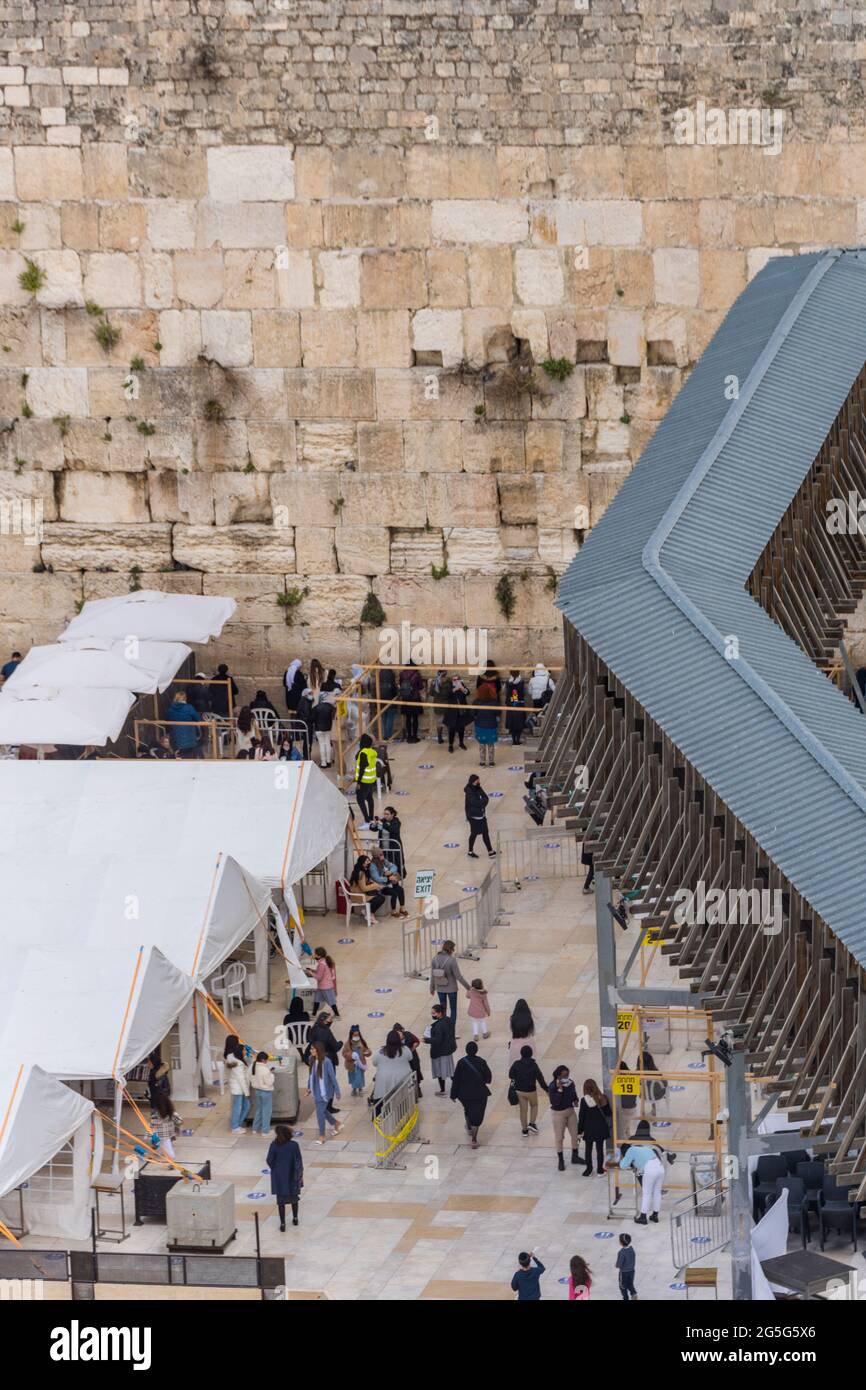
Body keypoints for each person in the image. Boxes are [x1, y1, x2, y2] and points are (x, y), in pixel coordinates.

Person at [450, 1040, 492, 1148]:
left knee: (468, 1110)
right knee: (477, 1115)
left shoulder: (461, 1062)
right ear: (476, 1050)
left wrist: (453, 1094)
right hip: (480, 1093)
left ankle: (469, 1126)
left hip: (464, 1094)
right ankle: (474, 1139)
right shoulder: (482, 1062)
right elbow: (488, 1077)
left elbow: (456, 1080)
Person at [621, 1129, 665, 1225]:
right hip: (660, 1167)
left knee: (647, 1193)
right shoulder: (643, 1147)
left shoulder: (630, 1150)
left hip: (650, 1170)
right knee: (657, 1192)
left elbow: (623, 1165)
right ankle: (655, 1215)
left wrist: (622, 1159)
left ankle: (643, 1217)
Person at [266, 1124, 304, 1230]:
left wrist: (275, 1168)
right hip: (293, 1175)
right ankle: (295, 1218)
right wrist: (300, 1174)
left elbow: (269, 1160)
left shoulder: (274, 1145)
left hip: (279, 1177)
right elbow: (299, 1160)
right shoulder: (294, 1145)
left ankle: (282, 1224)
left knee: (281, 1202)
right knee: (294, 1199)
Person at [307, 1040, 344, 1143]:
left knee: (319, 1114)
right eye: (311, 1049)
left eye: (312, 1049)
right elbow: (311, 1075)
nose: (310, 1051)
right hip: (316, 1091)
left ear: (318, 1050)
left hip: (325, 1092)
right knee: (323, 1111)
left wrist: (337, 1091)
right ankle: (337, 1123)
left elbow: (333, 1078)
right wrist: (309, 1088)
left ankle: (322, 1136)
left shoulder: (327, 1062)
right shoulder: (311, 1059)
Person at [429, 939, 470, 1027]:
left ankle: (443, 1027)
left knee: (442, 1010)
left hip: (439, 988)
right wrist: (468, 987)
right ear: (451, 949)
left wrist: (431, 988)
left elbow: (432, 974)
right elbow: (458, 976)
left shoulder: (434, 959)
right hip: (451, 988)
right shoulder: (451, 960)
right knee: (453, 1010)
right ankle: (451, 1029)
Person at [508, 1045, 547, 1136]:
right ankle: (532, 1124)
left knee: (523, 1110)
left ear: (521, 1053)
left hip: (519, 1091)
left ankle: (524, 1130)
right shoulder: (534, 1065)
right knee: (534, 1105)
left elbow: (510, 1075)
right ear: (531, 1054)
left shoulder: (516, 1064)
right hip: (531, 1090)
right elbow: (540, 1078)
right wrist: (546, 1089)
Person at [549, 1065, 581, 1171]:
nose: (567, 1077)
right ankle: (561, 1160)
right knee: (559, 1137)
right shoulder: (552, 1086)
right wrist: (560, 1090)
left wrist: (576, 1100)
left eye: (567, 1075)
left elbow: (574, 1094)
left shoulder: (571, 1083)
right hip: (558, 1114)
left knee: (575, 1134)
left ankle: (575, 1156)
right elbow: (555, 1102)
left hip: (570, 1111)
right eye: (564, 1076)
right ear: (558, 1076)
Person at [578, 1078, 611, 1177]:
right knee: (599, 1150)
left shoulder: (584, 1101)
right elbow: (609, 1113)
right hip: (600, 1129)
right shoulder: (602, 1098)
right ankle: (600, 1171)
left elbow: (581, 1117)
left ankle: (588, 1169)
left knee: (588, 1150)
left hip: (589, 1129)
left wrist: (579, 1131)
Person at [370, 1029, 414, 1103]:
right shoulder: (405, 1049)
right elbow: (410, 1058)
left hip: (384, 1080)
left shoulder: (380, 1052)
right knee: (401, 1101)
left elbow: (374, 1063)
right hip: (402, 1079)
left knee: (382, 1101)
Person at [425, 1002, 457, 1095]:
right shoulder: (448, 1020)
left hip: (440, 1052)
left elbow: (437, 1040)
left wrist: (426, 1040)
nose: (432, 1015)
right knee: (451, 1071)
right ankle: (458, 1086)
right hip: (448, 1049)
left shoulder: (439, 1026)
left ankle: (442, 1090)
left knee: (439, 1072)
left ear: (439, 1013)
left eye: (434, 1013)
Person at [348, 853, 387, 925]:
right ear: (362, 863)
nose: (369, 862)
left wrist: (372, 884)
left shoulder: (359, 870)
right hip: (358, 896)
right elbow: (364, 888)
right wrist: (375, 885)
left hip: (358, 893)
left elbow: (363, 883)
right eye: (366, 861)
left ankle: (368, 912)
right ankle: (369, 914)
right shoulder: (361, 873)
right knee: (380, 898)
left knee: (377, 894)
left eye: (369, 860)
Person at [369, 848, 409, 916]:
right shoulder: (372, 866)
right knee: (394, 893)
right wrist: (388, 878)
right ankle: (393, 911)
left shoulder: (383, 861)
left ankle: (402, 908)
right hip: (380, 886)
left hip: (387, 883)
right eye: (381, 854)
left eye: (382, 854)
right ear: (376, 856)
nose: (383, 856)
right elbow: (377, 878)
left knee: (400, 889)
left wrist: (390, 872)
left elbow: (394, 866)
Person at [465, 774, 496, 859]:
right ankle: (471, 851)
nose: (479, 781)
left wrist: (482, 803)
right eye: (477, 780)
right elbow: (475, 803)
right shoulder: (469, 791)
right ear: (473, 781)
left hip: (481, 814)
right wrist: (482, 803)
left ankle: (490, 851)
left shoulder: (478, 787)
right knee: (474, 834)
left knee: (485, 833)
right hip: (474, 816)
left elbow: (486, 797)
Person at [224, 1035, 251, 1133]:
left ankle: (237, 1124)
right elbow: (241, 1079)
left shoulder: (230, 1056)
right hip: (238, 1088)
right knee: (238, 1107)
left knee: (243, 1106)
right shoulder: (238, 1063)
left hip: (237, 1087)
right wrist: (247, 1092)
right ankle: (235, 1126)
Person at [368, 806, 404, 877]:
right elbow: (373, 828)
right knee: (384, 864)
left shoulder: (396, 822)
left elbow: (393, 830)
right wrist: (374, 824)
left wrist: (383, 825)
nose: (385, 816)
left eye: (387, 814)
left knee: (395, 863)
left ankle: (395, 879)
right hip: (384, 848)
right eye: (384, 814)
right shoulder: (383, 821)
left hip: (393, 847)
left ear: (392, 814)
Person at [306, 945, 339, 1018]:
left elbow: (319, 977)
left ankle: (337, 1015)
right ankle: (314, 1014)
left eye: (315, 954)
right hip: (322, 986)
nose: (314, 955)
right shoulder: (324, 961)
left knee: (331, 1001)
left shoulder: (321, 964)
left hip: (325, 987)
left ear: (319, 955)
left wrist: (310, 972)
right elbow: (320, 972)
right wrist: (312, 970)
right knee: (316, 1000)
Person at [167, 689, 202, 758]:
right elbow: (197, 719)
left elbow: (167, 720)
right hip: (189, 738)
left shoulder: (170, 709)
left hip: (175, 738)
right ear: (185, 698)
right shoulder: (189, 708)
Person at [472, 681, 499, 766]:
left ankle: (482, 762)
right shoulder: (494, 702)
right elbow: (498, 713)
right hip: (491, 725)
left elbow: (473, 713)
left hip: (480, 726)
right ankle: (491, 762)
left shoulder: (476, 702)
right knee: (491, 744)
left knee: (482, 745)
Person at [394, 1021, 423, 1099]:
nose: (398, 1035)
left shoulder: (408, 1034)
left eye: (399, 1033)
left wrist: (412, 1048)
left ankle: (418, 1089)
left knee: (416, 1071)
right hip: (403, 1060)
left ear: (402, 1031)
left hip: (413, 1057)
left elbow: (417, 1041)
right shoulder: (394, 1039)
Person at [354, 733, 379, 824]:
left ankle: (367, 820)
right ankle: (371, 817)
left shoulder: (363, 753)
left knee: (360, 799)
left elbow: (362, 769)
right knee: (369, 799)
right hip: (371, 779)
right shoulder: (372, 751)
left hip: (364, 780)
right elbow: (357, 756)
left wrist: (359, 783)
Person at [149, 1090, 182, 1159]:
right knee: (165, 1145)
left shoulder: (155, 1115)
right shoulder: (171, 1113)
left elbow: (152, 1126)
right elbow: (179, 1121)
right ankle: (160, 1153)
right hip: (167, 1134)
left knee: (167, 1148)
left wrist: (151, 1135)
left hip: (159, 1135)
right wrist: (176, 1128)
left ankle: (171, 1161)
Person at [442, 673, 470, 752]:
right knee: (452, 729)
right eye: (454, 679)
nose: (456, 681)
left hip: (461, 711)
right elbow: (446, 695)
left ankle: (461, 743)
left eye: (457, 679)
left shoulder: (462, 686)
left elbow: (468, 693)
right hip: (452, 712)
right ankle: (450, 745)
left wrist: (462, 688)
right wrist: (455, 689)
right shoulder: (450, 687)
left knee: (462, 728)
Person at [342, 1026, 372, 1096]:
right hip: (351, 1064)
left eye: (357, 1035)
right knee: (352, 1077)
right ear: (351, 1035)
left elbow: (367, 1050)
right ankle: (354, 1088)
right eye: (355, 1035)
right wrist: (350, 1055)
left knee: (360, 1077)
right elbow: (344, 1053)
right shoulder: (348, 1043)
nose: (356, 1036)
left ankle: (360, 1088)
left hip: (360, 1064)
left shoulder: (362, 1042)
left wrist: (368, 1052)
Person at [250, 1051, 275, 1134]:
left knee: (259, 1110)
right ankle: (265, 1131)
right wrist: (271, 1074)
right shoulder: (265, 1070)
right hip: (266, 1092)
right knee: (266, 1112)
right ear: (264, 1060)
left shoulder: (253, 1066)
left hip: (257, 1091)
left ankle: (255, 1128)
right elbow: (269, 1082)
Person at [398, 661, 423, 742]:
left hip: (406, 698)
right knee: (415, 718)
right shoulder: (417, 674)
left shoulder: (402, 674)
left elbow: (400, 684)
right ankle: (414, 736)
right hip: (415, 698)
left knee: (408, 718)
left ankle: (409, 737)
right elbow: (420, 687)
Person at [312, 689, 336, 768]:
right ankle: (328, 761)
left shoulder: (316, 708)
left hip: (318, 728)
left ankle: (323, 763)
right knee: (328, 744)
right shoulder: (331, 707)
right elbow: (333, 715)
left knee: (322, 745)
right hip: (328, 728)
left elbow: (312, 718)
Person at [508, 998, 536, 1065]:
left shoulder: (512, 1018)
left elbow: (510, 1030)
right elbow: (533, 1032)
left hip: (515, 1043)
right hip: (528, 1042)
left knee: (515, 1062)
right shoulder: (530, 1018)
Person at [504, 669, 528, 745]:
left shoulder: (508, 682)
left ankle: (514, 740)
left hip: (511, 704)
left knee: (512, 723)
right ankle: (517, 740)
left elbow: (505, 692)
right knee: (519, 723)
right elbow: (524, 692)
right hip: (519, 704)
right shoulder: (521, 682)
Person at [378, 666, 398, 741]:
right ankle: (388, 736)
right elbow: (395, 692)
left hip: (381, 701)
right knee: (390, 718)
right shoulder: (391, 682)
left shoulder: (379, 681)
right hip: (391, 702)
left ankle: (384, 735)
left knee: (383, 718)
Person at [616, 1233, 637, 1300]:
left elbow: (619, 1264)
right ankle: (633, 1293)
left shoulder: (621, 1252)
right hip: (632, 1271)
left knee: (622, 1286)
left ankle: (625, 1297)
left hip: (624, 1272)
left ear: (621, 1243)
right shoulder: (632, 1249)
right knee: (630, 1283)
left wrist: (616, 1265)